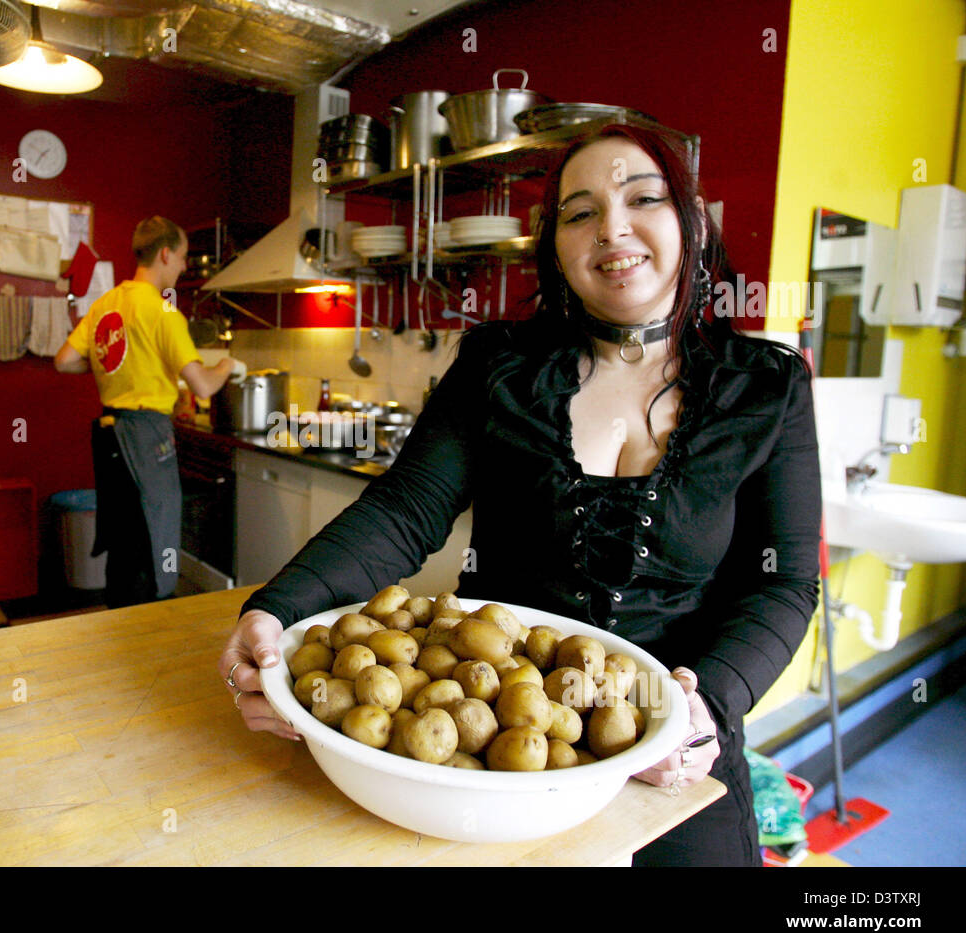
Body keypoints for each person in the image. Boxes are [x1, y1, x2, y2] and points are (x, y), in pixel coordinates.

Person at [217, 121, 822, 865]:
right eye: (580, 211)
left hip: (676, 752)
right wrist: (278, 609)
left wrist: (708, 705)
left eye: (644, 198)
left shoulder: (766, 386)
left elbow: (785, 583)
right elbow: (405, 512)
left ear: (692, 222)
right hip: (495, 755)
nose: (612, 228)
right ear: (556, 244)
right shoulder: (497, 365)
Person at [56, 215, 242, 608]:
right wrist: (227, 364)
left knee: (122, 538)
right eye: (182, 258)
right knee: (151, 535)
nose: (183, 266)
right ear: (164, 253)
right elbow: (204, 386)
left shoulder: (107, 304)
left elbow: (65, 360)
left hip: (108, 433)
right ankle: (144, 634)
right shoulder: (163, 314)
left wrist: (114, 367)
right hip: (145, 437)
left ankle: (116, 626)